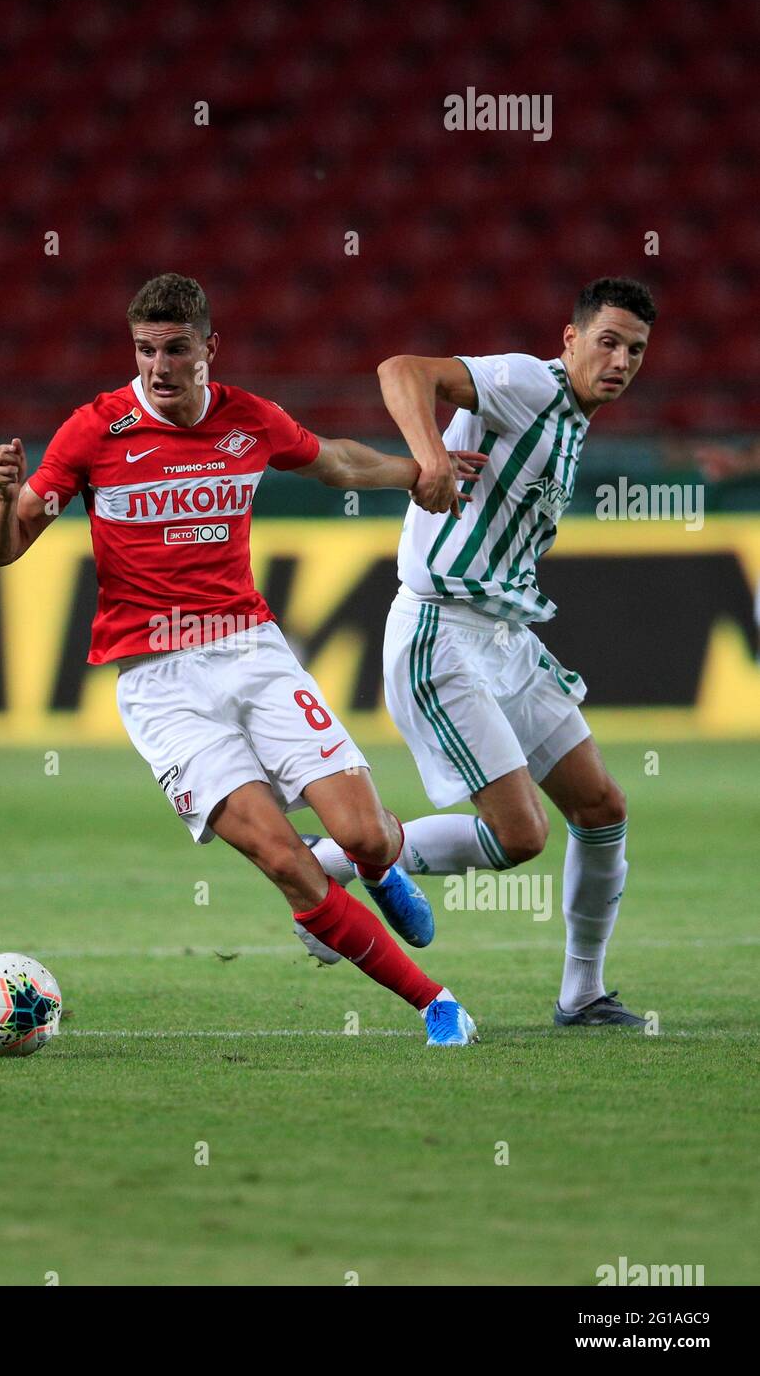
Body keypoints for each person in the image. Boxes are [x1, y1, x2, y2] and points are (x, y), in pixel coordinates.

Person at [0, 272, 485, 1045]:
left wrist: (417, 475)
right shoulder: (93, 432)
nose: (158, 366)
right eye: (145, 350)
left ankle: (382, 868)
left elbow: (338, 463)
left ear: (207, 348)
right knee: (285, 863)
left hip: (251, 653)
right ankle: (436, 1005)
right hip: (159, 686)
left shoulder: (249, 420)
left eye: (175, 349)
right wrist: (2, 498)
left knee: (367, 835)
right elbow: (5, 549)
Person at [306, 277, 656, 1028]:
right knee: (521, 835)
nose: (621, 359)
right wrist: (429, 455)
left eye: (635, 349)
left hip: (505, 635)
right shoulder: (530, 383)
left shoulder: (572, 422)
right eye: (608, 340)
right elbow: (402, 369)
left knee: (602, 808)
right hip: (442, 631)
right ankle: (333, 861)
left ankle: (583, 995)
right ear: (571, 341)